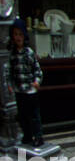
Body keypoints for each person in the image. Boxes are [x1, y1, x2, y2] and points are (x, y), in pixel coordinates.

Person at [7, 21, 45, 150]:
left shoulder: (29, 53)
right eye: (15, 35)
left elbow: (37, 70)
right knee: (23, 115)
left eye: (20, 35)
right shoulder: (12, 55)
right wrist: (10, 85)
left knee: (34, 115)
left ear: (24, 37)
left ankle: (38, 136)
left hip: (30, 90)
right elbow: (9, 72)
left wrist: (37, 81)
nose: (18, 38)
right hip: (20, 90)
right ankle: (27, 135)